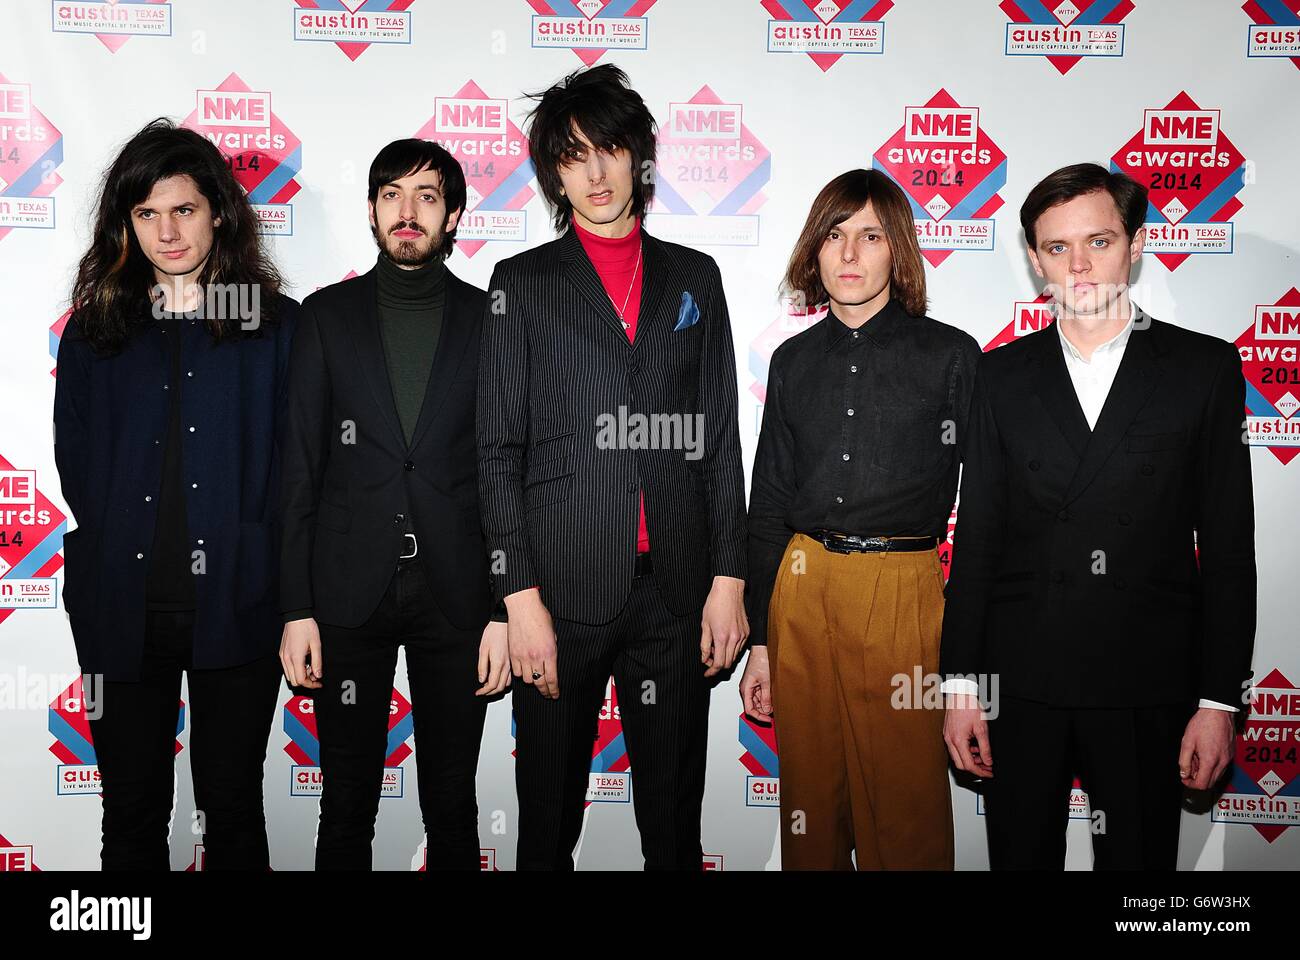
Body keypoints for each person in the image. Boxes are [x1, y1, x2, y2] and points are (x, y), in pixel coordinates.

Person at [940, 163, 1256, 869]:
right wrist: (960, 686)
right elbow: (979, 538)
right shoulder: (998, 376)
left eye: (1099, 241)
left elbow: (1229, 551)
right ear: (1033, 258)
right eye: (1057, 248)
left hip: (1146, 682)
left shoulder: (1202, 369)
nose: (1078, 266)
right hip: (1021, 684)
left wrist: (1219, 701)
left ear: (1136, 243)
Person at [477, 64, 749, 870]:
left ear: (641, 155)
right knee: (548, 826)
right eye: (572, 156)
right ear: (553, 173)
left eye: (611, 149)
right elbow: (497, 453)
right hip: (559, 596)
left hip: (675, 591)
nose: (595, 172)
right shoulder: (520, 285)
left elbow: (719, 438)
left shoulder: (694, 276)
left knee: (673, 826)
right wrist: (520, 601)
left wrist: (729, 580)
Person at [53, 118, 297, 870]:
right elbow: (77, 463)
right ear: (125, 222)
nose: (167, 231)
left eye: (183, 209)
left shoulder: (273, 326)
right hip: (120, 608)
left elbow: (296, 471)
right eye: (147, 213)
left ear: (218, 210)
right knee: (128, 812)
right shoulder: (99, 330)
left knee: (232, 806)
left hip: (240, 602)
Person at [278, 139, 508, 871]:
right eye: (391, 196)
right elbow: (298, 470)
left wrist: (505, 606)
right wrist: (296, 607)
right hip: (348, 592)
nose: (407, 212)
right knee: (344, 800)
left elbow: (509, 469)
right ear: (373, 211)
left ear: (455, 217)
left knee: (452, 800)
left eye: (428, 197)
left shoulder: (491, 319)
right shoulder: (325, 316)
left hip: (458, 593)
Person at [739, 169, 977, 870]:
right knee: (810, 808)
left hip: (903, 590)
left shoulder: (951, 357)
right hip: (802, 590)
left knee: (905, 811)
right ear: (814, 251)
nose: (848, 254)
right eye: (834, 235)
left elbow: (989, 506)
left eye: (870, 236)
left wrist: (969, 663)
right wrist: (760, 640)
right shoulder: (791, 362)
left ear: (897, 251)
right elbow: (769, 503)